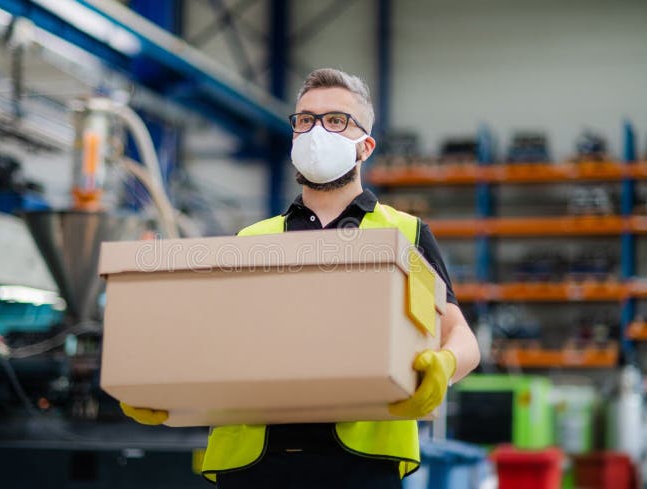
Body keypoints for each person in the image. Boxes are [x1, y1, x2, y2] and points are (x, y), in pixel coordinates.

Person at [120, 68, 481, 488]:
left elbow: (460, 334)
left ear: (365, 147)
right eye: (305, 120)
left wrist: (446, 364)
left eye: (335, 120)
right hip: (254, 461)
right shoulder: (251, 240)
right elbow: (212, 342)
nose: (316, 131)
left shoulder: (404, 234)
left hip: (362, 462)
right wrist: (159, 384)